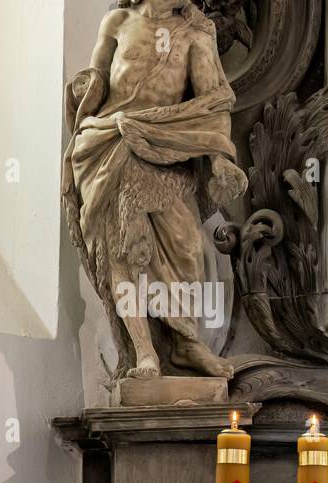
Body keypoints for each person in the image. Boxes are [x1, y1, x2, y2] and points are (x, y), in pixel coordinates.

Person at [63, 0, 246, 381]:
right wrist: (85, 89)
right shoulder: (117, 21)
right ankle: (144, 352)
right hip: (112, 143)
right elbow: (96, 80)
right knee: (123, 250)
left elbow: (212, 103)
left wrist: (218, 161)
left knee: (187, 247)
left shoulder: (196, 33)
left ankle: (186, 341)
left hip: (168, 148)